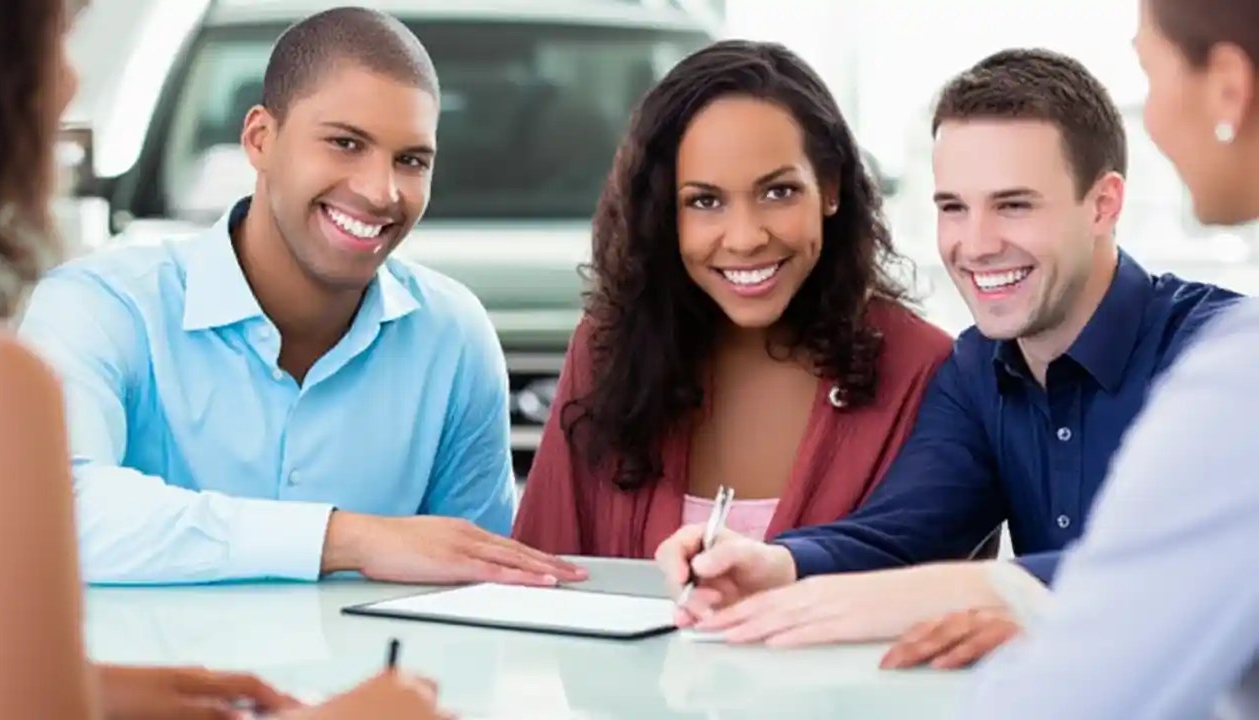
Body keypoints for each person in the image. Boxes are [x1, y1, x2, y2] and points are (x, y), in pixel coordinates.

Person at [656, 47, 1244, 655]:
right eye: (953, 208)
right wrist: (776, 564)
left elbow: (1189, 565)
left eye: (1013, 205)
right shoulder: (976, 370)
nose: (976, 244)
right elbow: (906, 532)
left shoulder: (1222, 355)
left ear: (1103, 205)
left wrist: (1000, 590)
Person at [0, 0, 448, 716]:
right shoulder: (15, 372)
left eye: (411, 158)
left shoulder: (452, 333)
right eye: (58, 41)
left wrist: (102, 692)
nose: (72, 80)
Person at [16, 6, 584, 587]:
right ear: (260, 139)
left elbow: (476, 578)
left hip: (376, 680)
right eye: (344, 143)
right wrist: (349, 539)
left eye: (411, 160)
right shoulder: (103, 307)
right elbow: (48, 517)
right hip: (147, 679)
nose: (381, 191)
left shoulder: (453, 336)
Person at [511, 40, 953, 557]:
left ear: (829, 187)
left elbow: (939, 601)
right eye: (704, 201)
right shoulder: (607, 350)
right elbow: (542, 577)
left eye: (778, 192)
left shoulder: (923, 371)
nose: (744, 238)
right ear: (663, 215)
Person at [964, 0, 1259, 716]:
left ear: (1227, 87)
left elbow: (1079, 700)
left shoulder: (1234, 381)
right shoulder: (976, 365)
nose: (1150, 120)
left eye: (1150, 75)